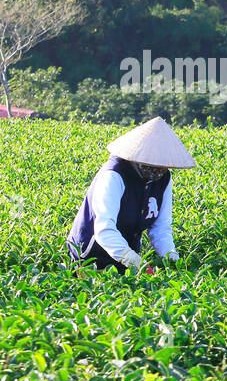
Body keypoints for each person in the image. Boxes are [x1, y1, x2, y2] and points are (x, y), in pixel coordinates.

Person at [66, 116, 195, 273]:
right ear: (138, 159)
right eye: (153, 165)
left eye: (163, 167)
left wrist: (171, 257)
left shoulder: (163, 178)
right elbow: (104, 228)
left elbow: (160, 227)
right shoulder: (114, 175)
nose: (158, 172)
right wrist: (132, 260)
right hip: (91, 255)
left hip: (128, 253)